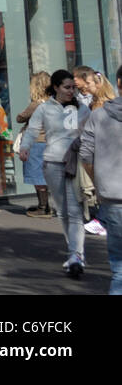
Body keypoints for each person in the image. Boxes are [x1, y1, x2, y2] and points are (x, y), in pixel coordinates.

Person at [21, 69, 90, 279]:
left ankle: (76, 254)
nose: (71, 91)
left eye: (73, 87)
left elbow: (91, 131)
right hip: (52, 162)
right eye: (67, 87)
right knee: (62, 211)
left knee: (75, 210)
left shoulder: (82, 108)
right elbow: (32, 129)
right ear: (56, 88)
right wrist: (25, 147)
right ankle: (74, 252)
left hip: (74, 163)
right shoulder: (44, 108)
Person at [79, 81, 122, 294]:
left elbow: (86, 153)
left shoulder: (98, 115)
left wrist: (98, 180)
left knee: (119, 267)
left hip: (113, 195)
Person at [16, 71, 53, 218]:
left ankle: (43, 208)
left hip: (36, 142)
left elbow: (20, 117)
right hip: (48, 142)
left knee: (37, 176)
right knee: (44, 175)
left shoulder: (36, 105)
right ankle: (45, 205)